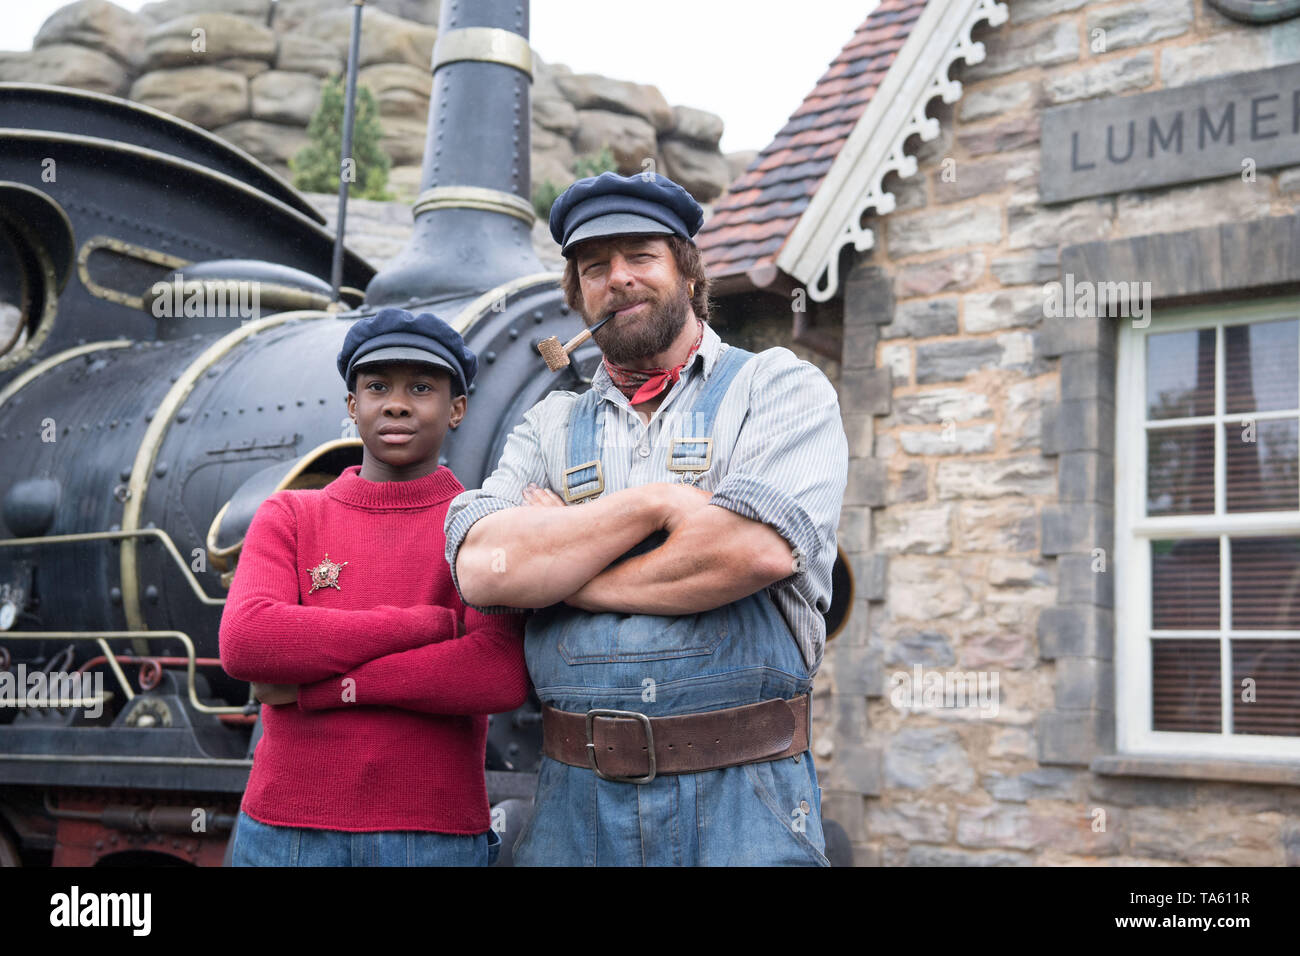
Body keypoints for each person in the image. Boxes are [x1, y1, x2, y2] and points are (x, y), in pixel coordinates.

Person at [444, 171, 849, 866]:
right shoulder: (547, 424)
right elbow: (485, 567)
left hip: (745, 804)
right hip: (574, 811)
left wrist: (568, 571)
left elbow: (751, 552)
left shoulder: (776, 387)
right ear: (579, 296)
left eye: (640, 256)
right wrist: (653, 506)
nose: (618, 278)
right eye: (595, 267)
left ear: (688, 275)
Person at [219, 307, 529, 867]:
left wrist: (319, 689)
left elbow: (495, 674)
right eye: (377, 385)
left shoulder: (483, 524)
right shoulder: (290, 513)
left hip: (431, 834)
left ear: (456, 408)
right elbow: (247, 641)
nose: (396, 402)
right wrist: (425, 624)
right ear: (352, 405)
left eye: (421, 387)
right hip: (284, 830)